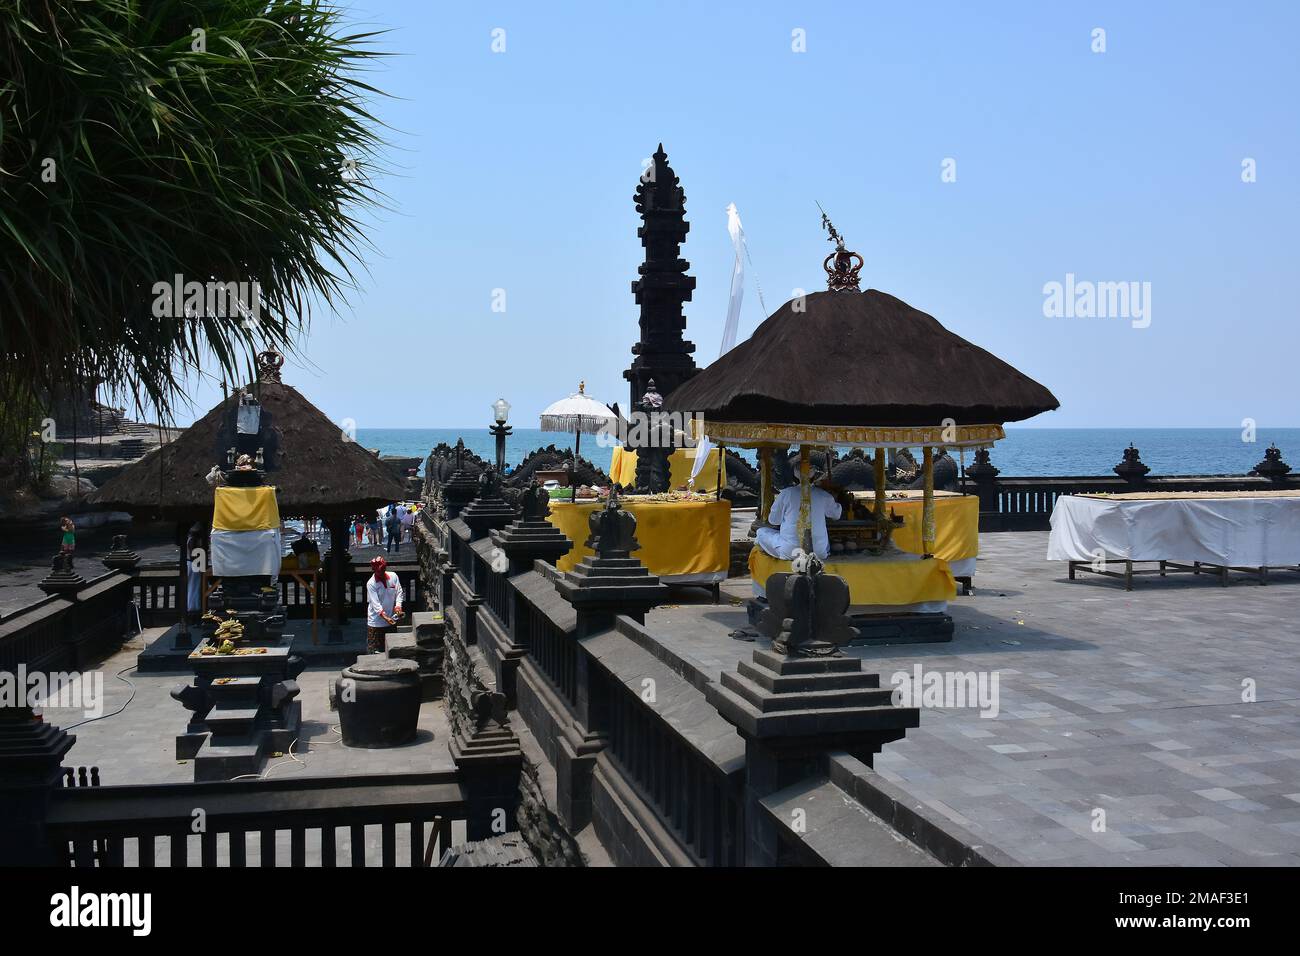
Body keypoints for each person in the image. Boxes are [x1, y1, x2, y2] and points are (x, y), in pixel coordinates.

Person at [755, 472, 843, 560]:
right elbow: (836, 515)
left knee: (761, 532)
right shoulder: (824, 495)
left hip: (790, 552)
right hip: (819, 553)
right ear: (814, 477)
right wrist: (834, 498)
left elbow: (774, 520)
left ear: (794, 478)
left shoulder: (786, 493)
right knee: (824, 542)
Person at [365, 556, 404, 652]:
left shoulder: (393, 576)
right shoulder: (371, 583)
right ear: (374, 570)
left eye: (383, 570)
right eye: (379, 571)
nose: (382, 573)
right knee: (375, 651)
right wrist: (385, 617)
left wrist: (398, 606)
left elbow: (399, 592)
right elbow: (376, 604)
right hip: (376, 622)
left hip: (391, 618)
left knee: (392, 649)